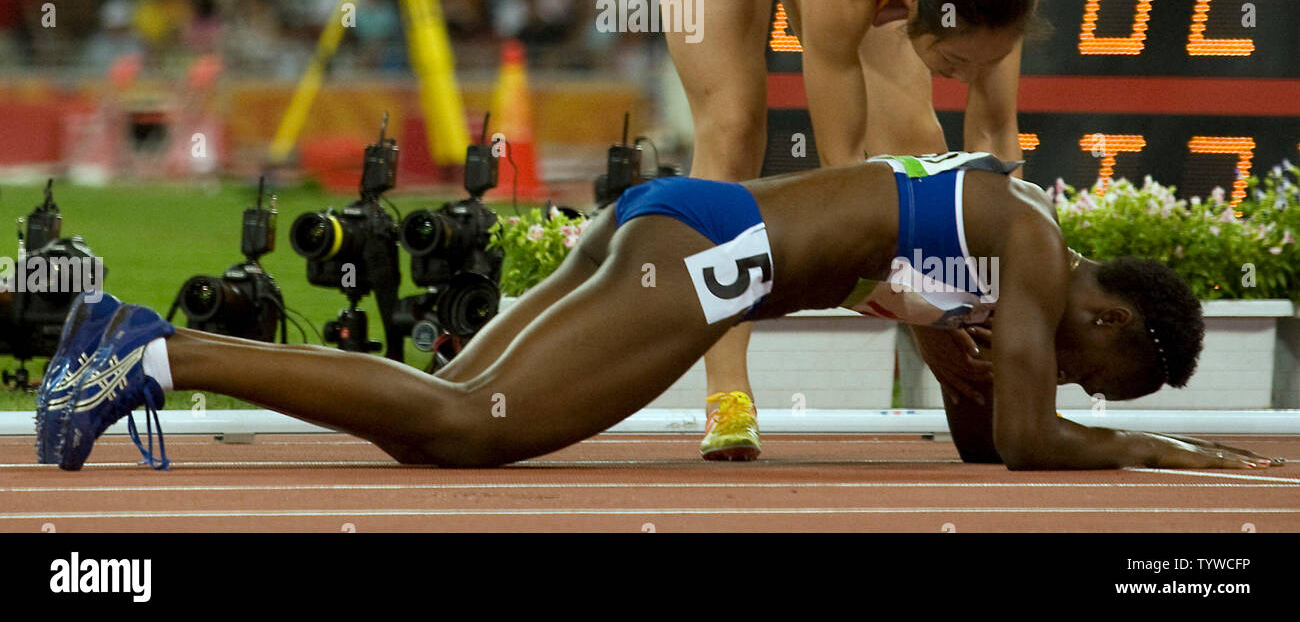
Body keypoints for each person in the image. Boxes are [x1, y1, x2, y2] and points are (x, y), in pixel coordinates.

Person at [37, 152, 1280, 473]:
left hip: (685, 218)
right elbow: (1023, 442)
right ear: (1113, 323)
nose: (1064, 383)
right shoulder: (1040, 249)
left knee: (434, 425)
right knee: (476, 428)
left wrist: (953, 358)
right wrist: (1161, 452)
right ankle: (147, 349)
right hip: (706, 251)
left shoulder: (1008, 248)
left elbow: (981, 429)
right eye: (1092, 378)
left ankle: (129, 345)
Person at [649, 0, 1039, 458]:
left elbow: (997, 151)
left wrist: (1005, 301)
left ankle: (967, 387)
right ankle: (727, 391)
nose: (963, 75)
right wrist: (934, 318)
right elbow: (848, 185)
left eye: (985, 60)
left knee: (918, 144)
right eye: (952, 59)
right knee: (734, 127)